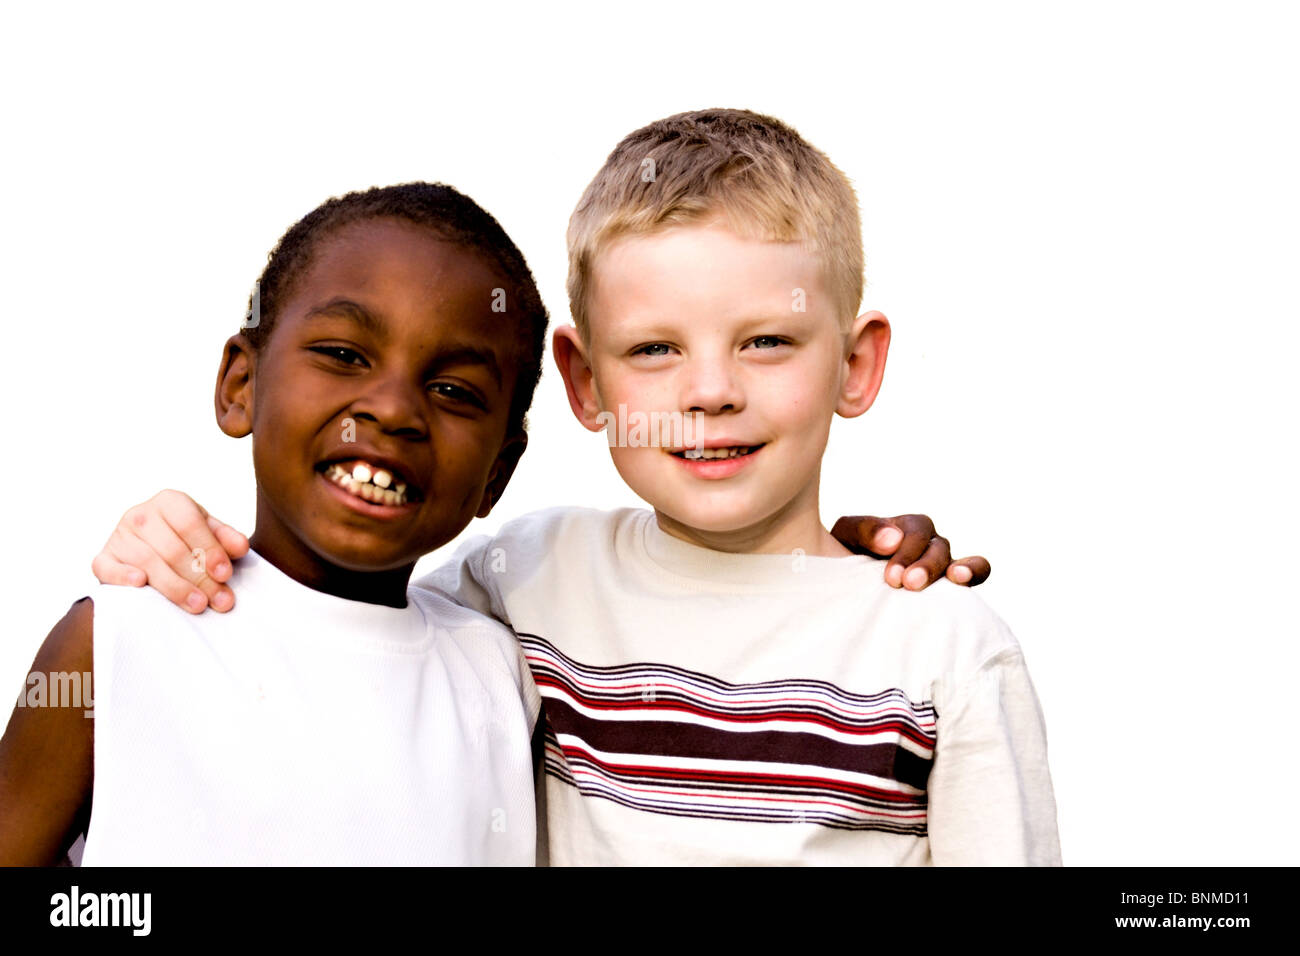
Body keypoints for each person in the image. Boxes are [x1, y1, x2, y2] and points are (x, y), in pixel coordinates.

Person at [88, 109, 1050, 865]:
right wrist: (165, 532)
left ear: (856, 364)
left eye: (766, 340)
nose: (710, 392)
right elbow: (341, 623)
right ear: (586, 383)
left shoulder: (945, 647)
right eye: (654, 348)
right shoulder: (523, 579)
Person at [0, 183, 548, 865]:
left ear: (498, 471)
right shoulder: (117, 640)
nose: (393, 410)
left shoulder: (500, 677)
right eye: (344, 355)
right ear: (241, 386)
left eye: (453, 391)